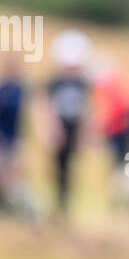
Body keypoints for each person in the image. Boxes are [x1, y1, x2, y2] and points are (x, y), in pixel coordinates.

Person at [45, 30, 91, 215]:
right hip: (60, 127)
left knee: (71, 167)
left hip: (74, 127)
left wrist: (83, 133)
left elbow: (85, 109)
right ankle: (58, 202)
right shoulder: (55, 82)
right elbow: (50, 107)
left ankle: (66, 204)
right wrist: (54, 129)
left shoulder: (82, 83)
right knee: (58, 166)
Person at [0, 55, 26, 213]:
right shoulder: (3, 89)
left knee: (15, 173)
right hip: (3, 137)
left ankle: (13, 205)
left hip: (15, 137)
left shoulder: (22, 90)